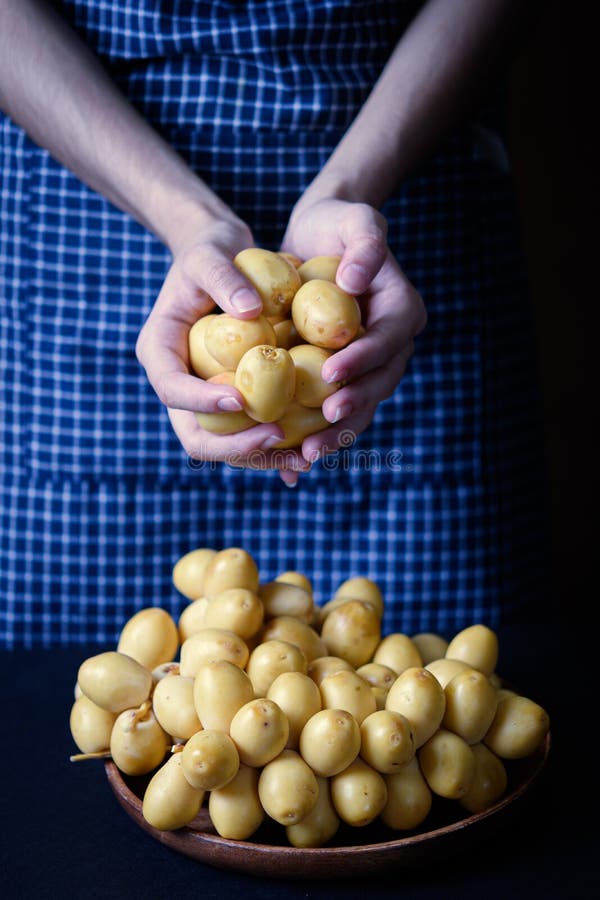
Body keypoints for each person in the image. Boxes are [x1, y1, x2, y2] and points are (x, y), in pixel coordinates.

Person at [0, 0, 550, 649]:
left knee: (435, 687)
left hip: (400, 188)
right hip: (93, 193)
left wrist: (352, 183)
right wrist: (185, 219)